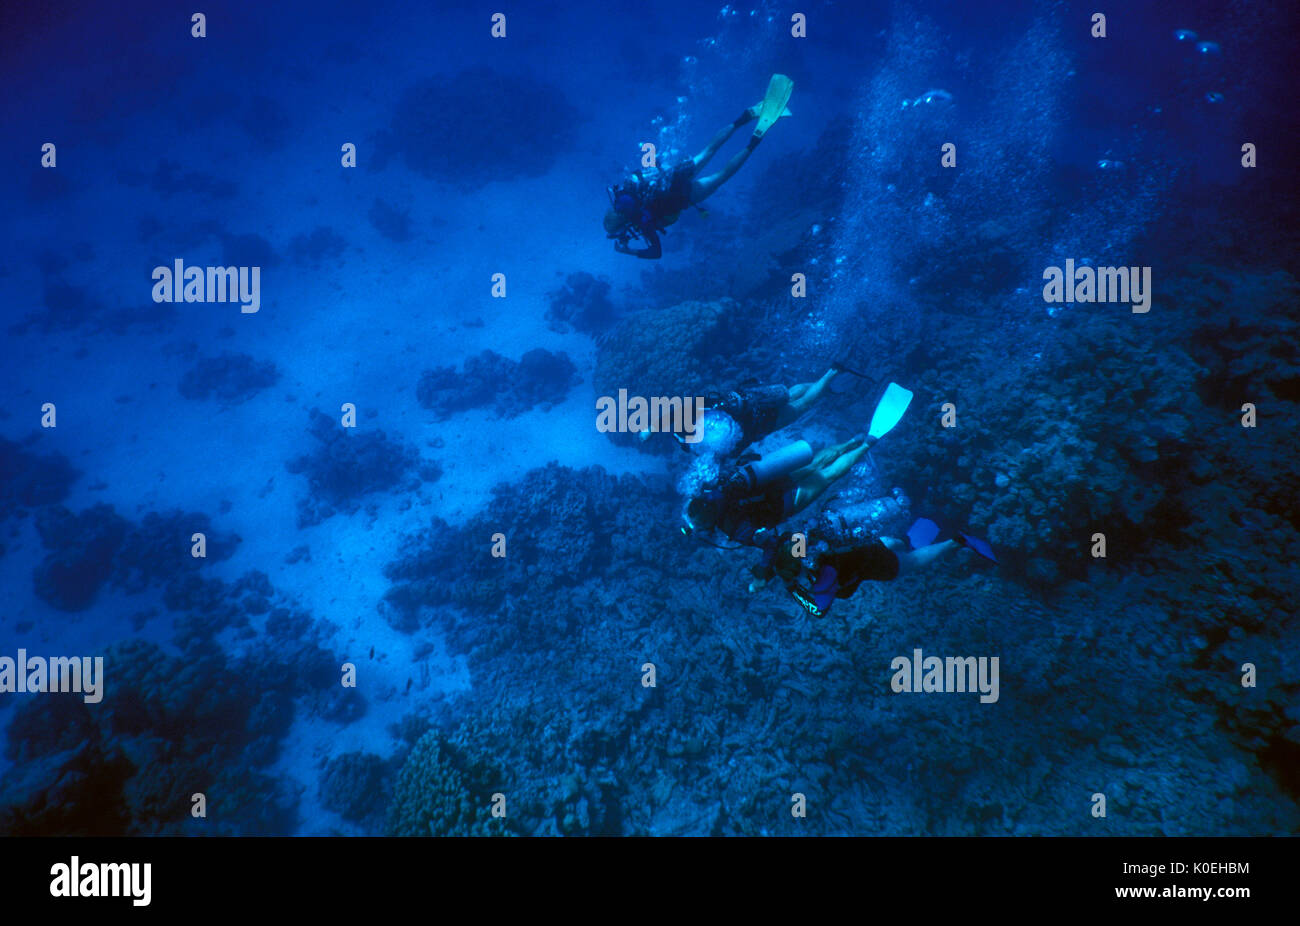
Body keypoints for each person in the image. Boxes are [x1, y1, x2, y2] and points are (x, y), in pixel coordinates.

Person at [604, 74, 794, 259]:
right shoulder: (624, 192)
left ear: (622, 223)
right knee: (709, 149)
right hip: (674, 174)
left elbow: (656, 253)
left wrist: (628, 251)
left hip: (685, 194)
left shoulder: (640, 220)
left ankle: (757, 136)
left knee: (722, 175)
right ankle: (746, 116)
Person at [684, 434, 870, 548]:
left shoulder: (732, 529)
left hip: (786, 503)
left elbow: (770, 545)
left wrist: (761, 575)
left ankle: (866, 445)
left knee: (829, 475)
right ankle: (851, 442)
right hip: (774, 479)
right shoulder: (713, 490)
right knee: (816, 463)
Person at [749, 531, 962, 618]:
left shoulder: (825, 576)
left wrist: (793, 588)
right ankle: (900, 540)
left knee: (911, 562)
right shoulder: (799, 543)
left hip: (876, 562)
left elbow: (818, 610)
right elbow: (781, 547)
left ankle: (954, 542)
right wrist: (766, 576)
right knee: (888, 544)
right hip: (868, 542)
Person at [692, 365, 842, 458]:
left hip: (762, 421)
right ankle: (824, 385)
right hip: (754, 399)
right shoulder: (700, 409)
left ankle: (831, 374)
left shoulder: (706, 442)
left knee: (802, 405)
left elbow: (737, 447)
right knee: (791, 394)